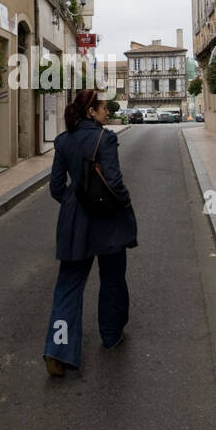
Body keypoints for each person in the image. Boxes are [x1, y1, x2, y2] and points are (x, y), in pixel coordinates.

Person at [43, 89, 138, 376]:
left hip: (74, 220)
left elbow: (56, 187)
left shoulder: (62, 141)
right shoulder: (105, 138)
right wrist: (123, 202)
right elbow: (114, 182)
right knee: (112, 277)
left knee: (68, 285)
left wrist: (75, 203)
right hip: (106, 219)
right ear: (91, 112)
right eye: (104, 109)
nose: (108, 113)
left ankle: (57, 350)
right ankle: (111, 336)